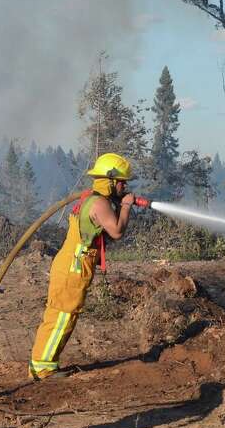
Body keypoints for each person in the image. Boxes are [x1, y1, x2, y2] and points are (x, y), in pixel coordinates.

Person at [28, 153, 149, 380]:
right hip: (74, 266)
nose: (125, 186)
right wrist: (126, 206)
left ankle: (42, 363)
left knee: (61, 314)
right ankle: (42, 368)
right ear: (109, 181)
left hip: (71, 263)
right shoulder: (100, 203)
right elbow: (117, 231)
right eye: (122, 182)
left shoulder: (93, 199)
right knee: (62, 316)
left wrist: (119, 204)